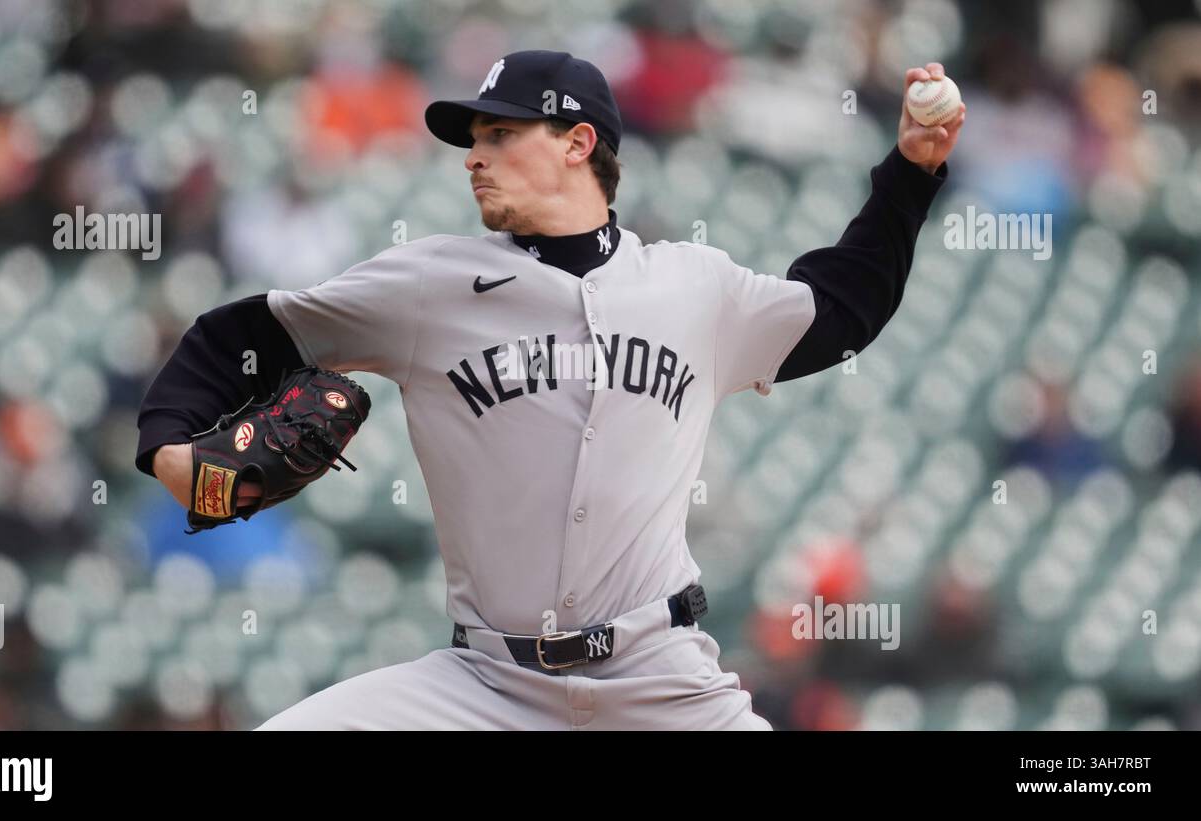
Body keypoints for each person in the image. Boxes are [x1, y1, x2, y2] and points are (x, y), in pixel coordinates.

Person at [135, 50, 964, 730]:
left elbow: (843, 306)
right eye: (474, 138)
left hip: (660, 682)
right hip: (481, 688)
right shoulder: (428, 284)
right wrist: (172, 457)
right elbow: (235, 338)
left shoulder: (693, 288)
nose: (474, 155)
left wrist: (911, 174)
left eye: (499, 133)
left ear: (576, 143)